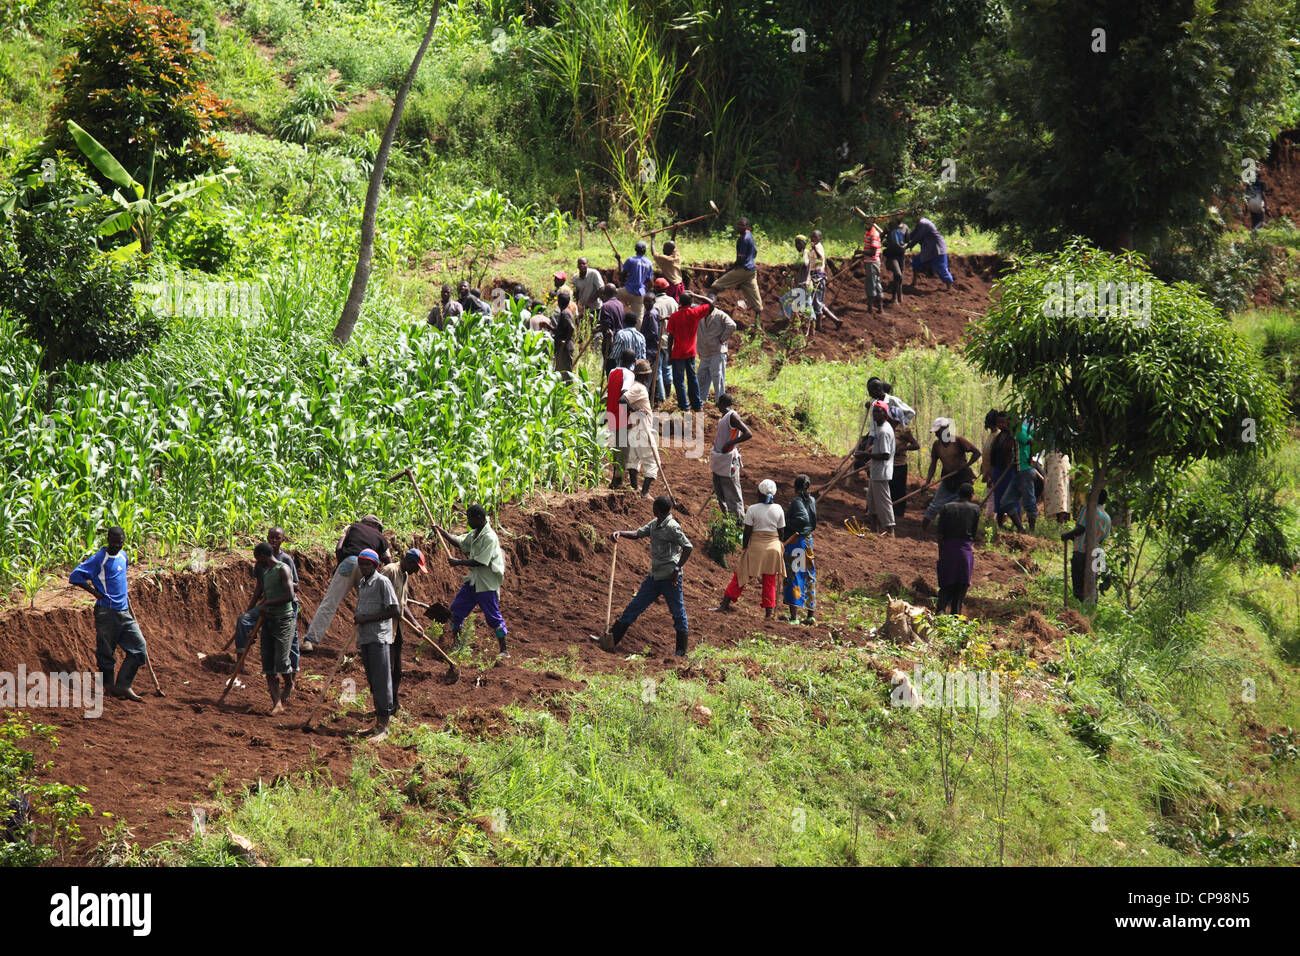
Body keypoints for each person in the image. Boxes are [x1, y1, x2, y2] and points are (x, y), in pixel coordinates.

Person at [603, 496, 693, 657]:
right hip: (654, 576)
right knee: (634, 607)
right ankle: (611, 640)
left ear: (657, 509)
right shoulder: (655, 523)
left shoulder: (672, 527)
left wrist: (677, 569)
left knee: (678, 612)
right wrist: (620, 533)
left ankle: (681, 651)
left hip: (670, 578)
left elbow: (688, 547)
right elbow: (638, 533)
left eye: (654, 507)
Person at [69, 526, 149, 702]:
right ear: (107, 540)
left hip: (124, 611)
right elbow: (75, 576)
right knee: (106, 652)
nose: (117, 546)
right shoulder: (99, 558)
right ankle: (108, 688)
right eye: (113, 543)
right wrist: (94, 592)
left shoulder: (123, 556)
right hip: (107, 612)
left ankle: (123, 686)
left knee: (139, 648)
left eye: (120, 543)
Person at [303, 515, 391, 652]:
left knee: (330, 603)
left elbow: (339, 548)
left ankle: (309, 641)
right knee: (368, 608)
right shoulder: (382, 538)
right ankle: (366, 645)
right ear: (377, 527)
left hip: (348, 562)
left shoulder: (351, 527)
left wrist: (341, 563)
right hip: (367, 569)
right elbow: (388, 560)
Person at [434, 505, 510, 659]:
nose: (468, 522)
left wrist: (458, 562)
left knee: (493, 617)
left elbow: (481, 561)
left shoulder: (489, 537)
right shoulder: (475, 533)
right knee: (456, 611)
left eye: (470, 519)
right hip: (474, 581)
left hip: (486, 583)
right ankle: (457, 645)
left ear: (479, 518)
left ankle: (504, 650)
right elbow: (460, 542)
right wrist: (442, 533)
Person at [232, 526, 301, 673]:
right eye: (271, 537)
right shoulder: (260, 562)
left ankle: (294, 668)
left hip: (286, 605)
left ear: (283, 540)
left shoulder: (285, 561)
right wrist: (250, 609)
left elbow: (295, 587)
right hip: (267, 604)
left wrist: (281, 583)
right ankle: (240, 662)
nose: (274, 540)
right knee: (243, 620)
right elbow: (259, 588)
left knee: (292, 637)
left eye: (277, 538)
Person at [715, 479, 785, 618]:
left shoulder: (753, 509)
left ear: (759, 492)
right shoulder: (778, 509)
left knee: (741, 574)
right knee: (769, 580)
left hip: (756, 546)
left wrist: (745, 548)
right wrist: (779, 546)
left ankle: (724, 604)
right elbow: (781, 532)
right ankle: (769, 613)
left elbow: (747, 532)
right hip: (773, 548)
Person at [352, 549, 399, 741]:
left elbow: (394, 611)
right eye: (361, 564)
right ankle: (378, 724)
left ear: (376, 565)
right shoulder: (363, 583)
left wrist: (366, 619)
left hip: (379, 638)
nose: (363, 567)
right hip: (366, 637)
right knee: (373, 681)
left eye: (367, 564)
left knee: (381, 681)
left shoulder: (382, 582)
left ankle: (384, 728)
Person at [379, 549, 428, 713]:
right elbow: (377, 595)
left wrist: (415, 623)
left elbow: (403, 603)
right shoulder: (390, 571)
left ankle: (395, 703)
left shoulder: (404, 575)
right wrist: (389, 610)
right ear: (410, 562)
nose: (417, 572)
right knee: (388, 668)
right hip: (385, 626)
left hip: (397, 627)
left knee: (397, 669)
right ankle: (385, 706)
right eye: (417, 568)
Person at [252, 542, 296, 714]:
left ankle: (289, 682)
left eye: (257, 559)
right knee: (268, 664)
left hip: (284, 620)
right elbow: (266, 597)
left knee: (281, 661)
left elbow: (289, 595)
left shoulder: (282, 569)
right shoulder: (267, 573)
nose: (257, 562)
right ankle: (277, 703)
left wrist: (268, 603)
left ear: (263, 556)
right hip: (268, 621)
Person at [920, 417, 982, 531]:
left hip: (963, 478)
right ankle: (922, 532)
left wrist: (966, 465)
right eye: (935, 432)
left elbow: (977, 453)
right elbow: (933, 464)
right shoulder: (936, 445)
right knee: (934, 506)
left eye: (938, 431)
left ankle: (960, 531)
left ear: (945, 429)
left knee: (958, 506)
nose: (936, 434)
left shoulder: (958, 441)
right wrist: (927, 482)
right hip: (948, 479)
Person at [934, 483, 981, 615]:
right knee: (961, 585)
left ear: (958, 494)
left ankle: (940, 611)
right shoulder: (975, 509)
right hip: (965, 550)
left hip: (948, 549)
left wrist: (941, 551)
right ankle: (956, 615)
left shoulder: (947, 507)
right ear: (971, 496)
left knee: (945, 584)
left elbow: (940, 534)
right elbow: (973, 533)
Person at [710, 217, 763, 325]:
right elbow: (755, 251)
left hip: (743, 270)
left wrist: (730, 270)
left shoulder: (743, 239)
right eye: (738, 224)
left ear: (747, 227)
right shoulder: (749, 235)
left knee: (716, 286)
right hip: (751, 271)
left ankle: (706, 312)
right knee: (757, 303)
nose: (739, 227)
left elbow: (740, 260)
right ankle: (758, 325)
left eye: (742, 225)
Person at [666, 292, 712, 413]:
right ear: (691, 303)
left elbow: (670, 337)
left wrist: (670, 354)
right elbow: (710, 303)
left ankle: (684, 406)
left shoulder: (674, 317)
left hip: (678, 353)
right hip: (691, 352)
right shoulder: (695, 313)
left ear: (679, 302)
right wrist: (695, 295)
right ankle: (697, 405)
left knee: (679, 380)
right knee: (692, 378)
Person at [1062, 490, 1111, 602]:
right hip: (1098, 553)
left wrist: (1066, 535)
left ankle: (1080, 605)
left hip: (1082, 551)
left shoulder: (1088, 509)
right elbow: (1103, 538)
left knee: (1079, 581)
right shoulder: (1107, 517)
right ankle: (1092, 604)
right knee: (1092, 581)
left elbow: (1080, 529)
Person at [620, 359, 659, 498]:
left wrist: (634, 411)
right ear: (645, 375)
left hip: (635, 428)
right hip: (642, 429)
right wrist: (635, 411)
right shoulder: (639, 388)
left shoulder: (635, 386)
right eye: (648, 374)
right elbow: (622, 400)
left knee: (634, 459)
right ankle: (644, 492)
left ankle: (634, 488)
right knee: (653, 461)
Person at [783, 474, 818, 624]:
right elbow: (813, 521)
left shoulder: (797, 501)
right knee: (809, 574)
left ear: (795, 487)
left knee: (793, 574)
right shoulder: (812, 500)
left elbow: (803, 519)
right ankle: (810, 615)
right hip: (808, 540)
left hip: (796, 540)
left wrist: (788, 524)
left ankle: (794, 617)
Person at [710, 393, 751, 519]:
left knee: (733, 495)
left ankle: (738, 523)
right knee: (721, 494)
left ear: (722, 404)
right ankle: (727, 521)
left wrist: (730, 443)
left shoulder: (732, 416)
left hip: (728, 460)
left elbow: (748, 433)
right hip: (720, 459)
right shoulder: (724, 417)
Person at [864, 401, 896, 536]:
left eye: (878, 411)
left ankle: (890, 531)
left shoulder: (883, 431)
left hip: (881, 472)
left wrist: (866, 455)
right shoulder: (880, 427)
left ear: (885, 414)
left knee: (883, 502)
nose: (875, 414)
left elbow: (885, 455)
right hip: (876, 471)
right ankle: (874, 530)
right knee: (872, 503)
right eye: (874, 411)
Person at [696, 299, 736, 405]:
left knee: (717, 378)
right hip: (705, 352)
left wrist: (723, 339)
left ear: (713, 305)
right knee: (702, 377)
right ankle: (701, 401)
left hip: (717, 351)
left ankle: (720, 403)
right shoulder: (700, 314)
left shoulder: (720, 315)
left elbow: (732, 325)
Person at [606, 348, 636, 488]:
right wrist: (633, 410)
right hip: (621, 414)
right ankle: (618, 480)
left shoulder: (612, 371)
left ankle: (615, 478)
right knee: (623, 449)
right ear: (632, 362)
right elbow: (624, 394)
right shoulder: (629, 374)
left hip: (611, 412)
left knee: (616, 447)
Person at [989, 411, 1022, 530]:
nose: (1000, 425)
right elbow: (993, 456)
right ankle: (1000, 525)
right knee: (998, 498)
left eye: (1003, 422)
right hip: (998, 471)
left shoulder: (1013, 437)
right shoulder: (998, 437)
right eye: (998, 422)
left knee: (1011, 498)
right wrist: (991, 474)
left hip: (1010, 472)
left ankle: (1019, 526)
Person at [906, 215, 955, 291]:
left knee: (941, 267)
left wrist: (908, 246)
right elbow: (911, 235)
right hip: (928, 250)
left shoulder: (923, 223)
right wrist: (899, 239)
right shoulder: (920, 224)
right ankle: (914, 282)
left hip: (937, 249)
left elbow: (918, 237)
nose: (912, 218)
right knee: (916, 263)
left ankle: (950, 288)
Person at [651, 280, 678, 402]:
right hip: (670, 339)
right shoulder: (673, 302)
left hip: (659, 339)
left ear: (655, 289)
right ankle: (668, 395)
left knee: (658, 370)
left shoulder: (654, 303)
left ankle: (661, 398)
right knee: (667, 368)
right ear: (666, 289)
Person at [808, 228, 840, 329]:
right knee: (817, 302)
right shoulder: (813, 248)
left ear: (819, 238)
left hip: (818, 277)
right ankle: (836, 321)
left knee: (817, 302)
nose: (812, 238)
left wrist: (814, 249)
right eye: (812, 236)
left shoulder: (818, 247)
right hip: (814, 276)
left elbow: (820, 258)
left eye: (815, 237)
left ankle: (819, 326)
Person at [617, 240, 653, 326]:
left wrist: (619, 260)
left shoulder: (630, 260)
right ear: (644, 251)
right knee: (639, 317)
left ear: (635, 250)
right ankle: (637, 332)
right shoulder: (649, 263)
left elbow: (622, 275)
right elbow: (649, 279)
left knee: (611, 296)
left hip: (627, 290)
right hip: (639, 294)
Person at [1013, 416, 1039, 531]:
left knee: (1029, 499)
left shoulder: (1019, 431)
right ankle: (1020, 528)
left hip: (1025, 468)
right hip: (1018, 469)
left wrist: (1030, 456)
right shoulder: (1022, 429)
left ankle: (1031, 529)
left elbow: (1031, 441)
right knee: (1006, 501)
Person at [639, 294, 663, 406]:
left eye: (648, 302)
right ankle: (657, 399)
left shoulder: (651, 314)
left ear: (654, 301)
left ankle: (651, 399)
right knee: (653, 375)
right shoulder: (650, 312)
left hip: (651, 349)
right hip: (651, 349)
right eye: (645, 302)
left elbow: (653, 332)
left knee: (648, 376)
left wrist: (642, 338)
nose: (646, 304)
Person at [597, 284, 625, 377]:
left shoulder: (606, 306)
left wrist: (596, 330)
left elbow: (607, 326)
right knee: (617, 368)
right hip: (620, 340)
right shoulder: (620, 304)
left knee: (610, 369)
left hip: (610, 341)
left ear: (605, 293)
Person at [979, 408, 1001, 519]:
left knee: (993, 499)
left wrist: (990, 474)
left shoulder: (998, 436)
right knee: (991, 498)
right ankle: (991, 519)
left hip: (993, 473)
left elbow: (996, 457)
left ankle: (991, 520)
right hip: (988, 472)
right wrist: (983, 467)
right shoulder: (991, 435)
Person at [861, 215, 884, 314]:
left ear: (872, 224)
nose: (866, 225)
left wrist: (861, 252)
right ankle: (880, 309)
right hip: (870, 262)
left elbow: (873, 252)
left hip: (872, 263)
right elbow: (869, 250)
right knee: (875, 283)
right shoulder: (868, 233)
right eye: (865, 223)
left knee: (871, 284)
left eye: (868, 223)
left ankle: (870, 309)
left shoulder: (874, 234)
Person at [552, 291, 577, 381]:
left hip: (565, 347)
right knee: (561, 371)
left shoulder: (565, 313)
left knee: (566, 372)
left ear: (559, 302)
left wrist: (566, 341)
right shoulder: (566, 312)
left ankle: (569, 387)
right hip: (564, 346)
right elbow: (562, 331)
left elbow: (571, 328)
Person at [1042, 447, 1071, 523]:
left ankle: (1061, 521)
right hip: (1057, 464)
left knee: (1059, 496)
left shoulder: (1053, 454)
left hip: (1056, 463)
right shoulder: (1064, 455)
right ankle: (1061, 521)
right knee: (1061, 496)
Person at [884, 218, 908, 305]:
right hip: (891, 255)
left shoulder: (905, 227)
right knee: (898, 274)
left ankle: (899, 297)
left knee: (899, 277)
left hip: (901, 255)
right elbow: (881, 238)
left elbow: (907, 240)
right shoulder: (890, 226)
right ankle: (894, 298)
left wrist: (904, 246)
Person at [571, 257, 604, 322]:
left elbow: (601, 289)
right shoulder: (575, 278)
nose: (581, 265)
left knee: (595, 324)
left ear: (588, 265)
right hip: (583, 309)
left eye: (584, 264)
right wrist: (577, 306)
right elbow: (575, 293)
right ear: (577, 266)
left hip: (595, 308)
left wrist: (590, 302)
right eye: (580, 264)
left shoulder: (594, 273)